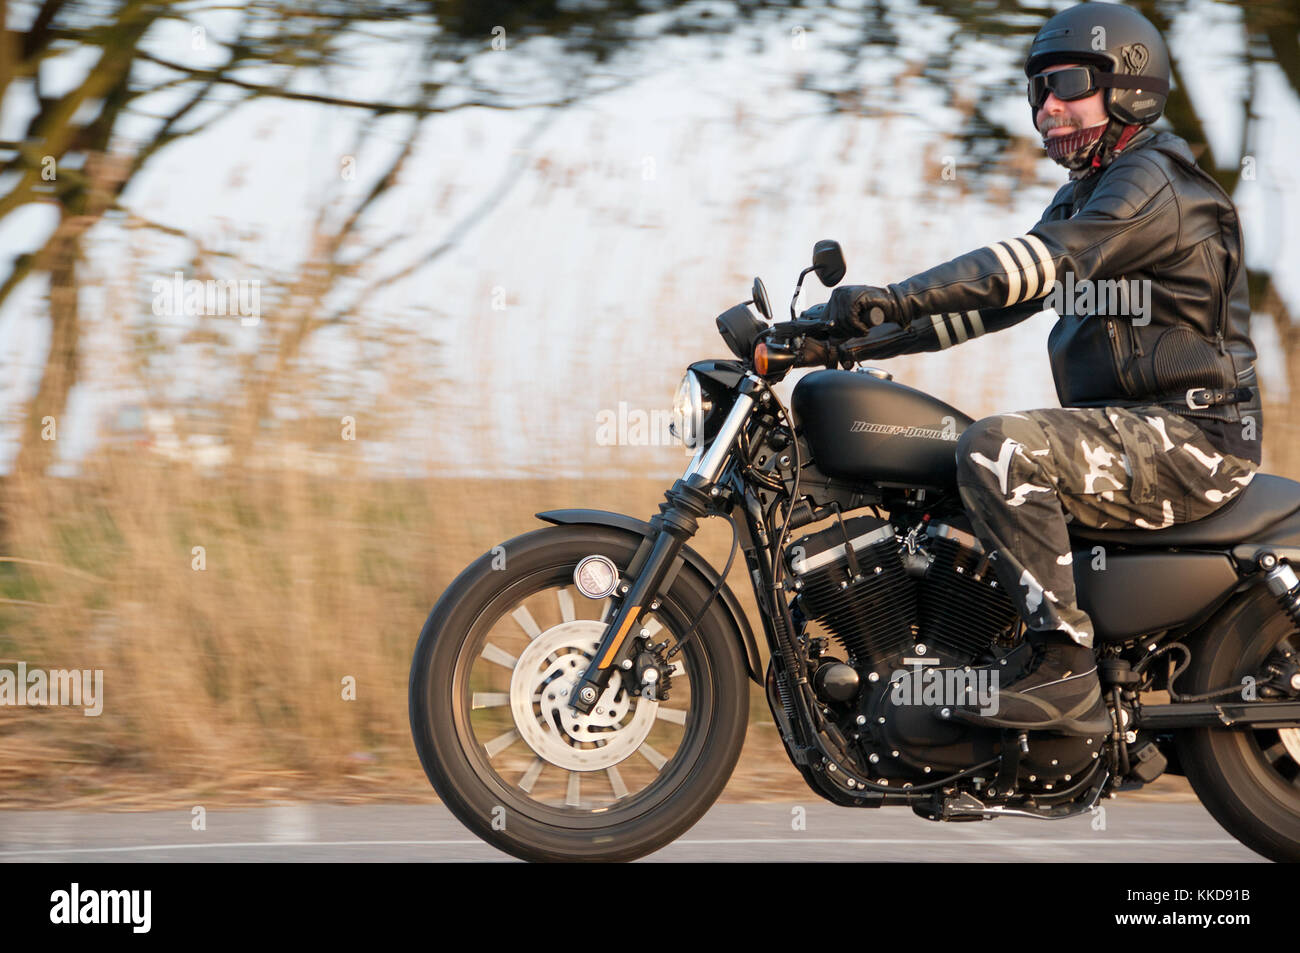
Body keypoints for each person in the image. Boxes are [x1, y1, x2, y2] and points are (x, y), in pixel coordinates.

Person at [819, 1, 1263, 735]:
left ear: (1127, 86)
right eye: (1037, 93)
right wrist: (845, 342)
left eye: (1064, 85)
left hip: (1190, 437)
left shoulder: (1155, 182)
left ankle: (1063, 667)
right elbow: (988, 308)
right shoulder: (1085, 193)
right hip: (1125, 431)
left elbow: (1032, 265)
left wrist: (895, 294)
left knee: (1002, 445)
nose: (1046, 108)